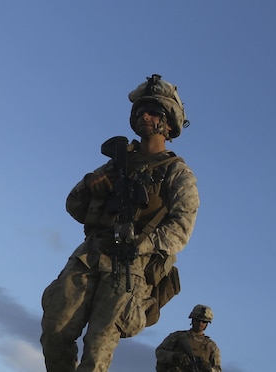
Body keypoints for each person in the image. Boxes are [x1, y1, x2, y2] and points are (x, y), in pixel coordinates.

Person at [41, 74, 200, 372]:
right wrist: (90, 185)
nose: (144, 115)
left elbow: (182, 226)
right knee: (55, 329)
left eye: (153, 111)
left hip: (130, 265)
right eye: (141, 110)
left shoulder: (177, 173)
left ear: (167, 123)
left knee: (98, 346)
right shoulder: (117, 163)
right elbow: (73, 206)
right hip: (90, 255)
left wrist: (146, 243)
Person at [154, 305, 222, 372]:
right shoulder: (177, 337)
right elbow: (159, 353)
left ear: (207, 324)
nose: (200, 323)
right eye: (198, 320)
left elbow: (218, 369)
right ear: (192, 319)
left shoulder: (211, 346)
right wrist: (174, 356)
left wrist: (209, 369)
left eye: (204, 321)